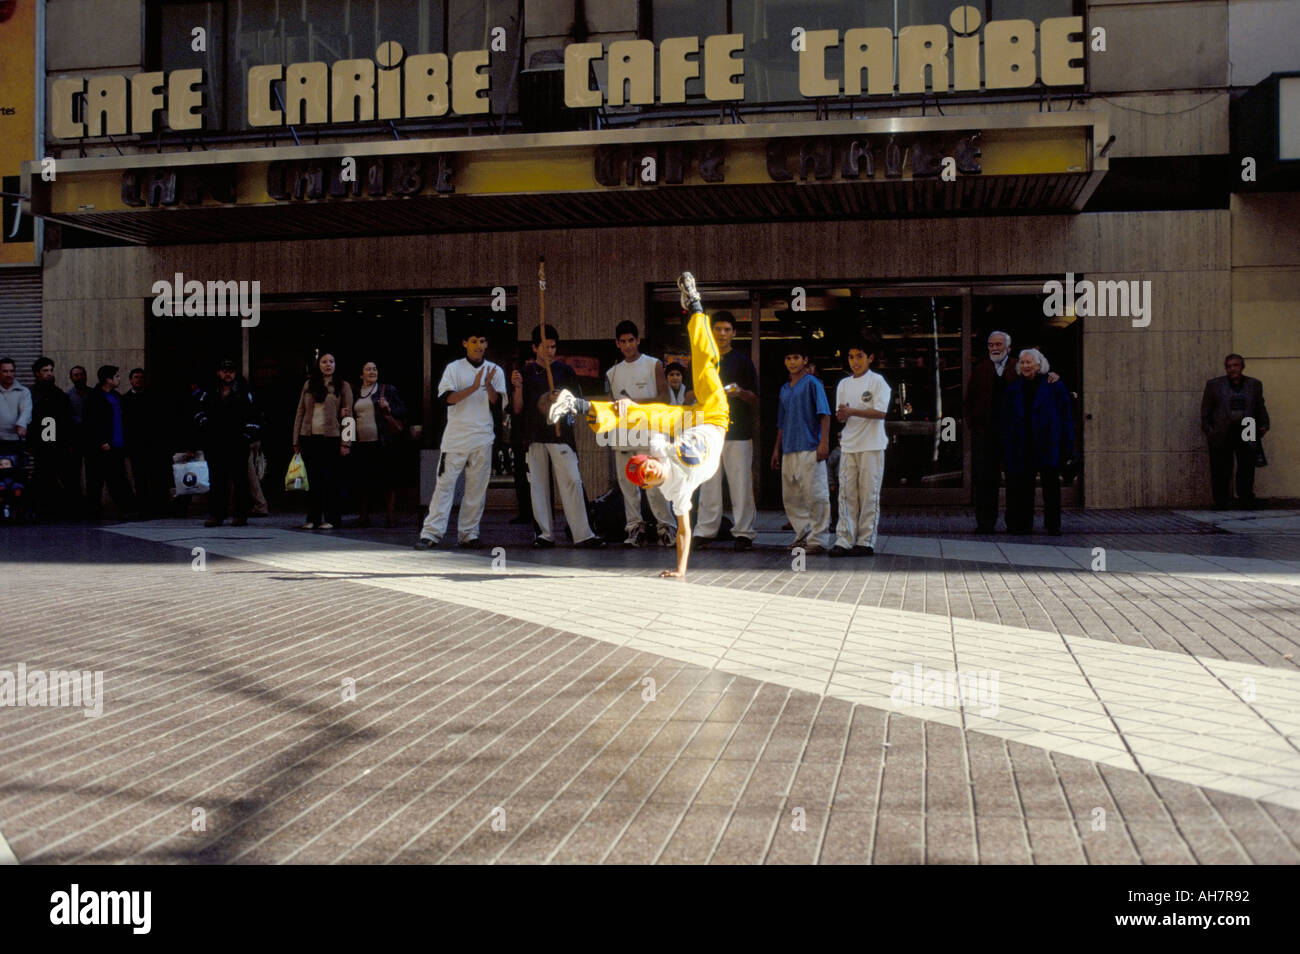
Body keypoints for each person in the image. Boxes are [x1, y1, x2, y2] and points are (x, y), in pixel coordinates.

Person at [548, 272, 727, 578]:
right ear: (648, 483)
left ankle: (576, 404)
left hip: (688, 421)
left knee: (697, 366)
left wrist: (628, 407)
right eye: (647, 474)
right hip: (716, 418)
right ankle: (695, 306)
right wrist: (681, 571)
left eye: (647, 464)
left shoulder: (660, 452)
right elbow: (685, 531)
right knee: (707, 369)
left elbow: (653, 414)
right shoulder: (677, 491)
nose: (652, 468)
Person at [512, 324, 603, 549]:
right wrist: (517, 388)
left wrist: (560, 400)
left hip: (561, 436)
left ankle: (582, 533)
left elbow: (576, 405)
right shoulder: (524, 373)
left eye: (553, 346)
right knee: (539, 485)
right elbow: (516, 409)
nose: (550, 351)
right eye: (545, 346)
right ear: (535, 347)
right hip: (534, 435)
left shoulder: (565, 371)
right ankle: (544, 534)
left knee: (572, 479)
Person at [415, 322, 505, 549]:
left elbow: (499, 404)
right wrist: (474, 387)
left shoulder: (495, 370)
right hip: (455, 438)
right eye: (473, 341)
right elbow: (447, 399)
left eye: (482, 341)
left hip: (483, 437)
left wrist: (487, 386)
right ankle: (431, 534)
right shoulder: (453, 368)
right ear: (465, 343)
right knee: (444, 486)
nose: (478, 346)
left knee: (476, 489)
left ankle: (469, 534)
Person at [692, 311, 759, 552]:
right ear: (711, 332)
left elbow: (755, 397)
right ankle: (704, 531)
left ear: (734, 333)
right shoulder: (702, 360)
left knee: (740, 482)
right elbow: (689, 395)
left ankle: (744, 533)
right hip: (708, 430)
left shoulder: (742, 361)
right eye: (718, 329)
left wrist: (738, 392)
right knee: (708, 481)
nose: (722, 333)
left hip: (738, 430)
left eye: (727, 329)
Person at [605, 319, 675, 548]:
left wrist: (634, 403)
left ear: (638, 340)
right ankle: (635, 529)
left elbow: (664, 398)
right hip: (624, 433)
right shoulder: (612, 373)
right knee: (627, 485)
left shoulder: (653, 364)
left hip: (651, 430)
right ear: (617, 343)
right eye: (623, 341)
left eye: (631, 340)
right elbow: (610, 405)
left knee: (654, 482)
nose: (627, 345)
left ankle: (666, 527)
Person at [830, 336, 891, 557]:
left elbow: (881, 412)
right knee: (846, 494)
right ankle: (844, 539)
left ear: (870, 358)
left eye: (859, 357)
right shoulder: (843, 384)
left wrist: (852, 411)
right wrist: (842, 415)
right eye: (851, 357)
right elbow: (842, 415)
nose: (855, 362)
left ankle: (866, 541)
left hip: (872, 446)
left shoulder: (878, 382)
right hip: (849, 445)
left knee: (869, 494)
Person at [1001, 349, 1073, 536]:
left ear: (1039, 365)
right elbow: (1006, 418)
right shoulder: (1013, 388)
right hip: (1022, 445)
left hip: (1047, 444)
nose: (1025, 366)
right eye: (1023, 363)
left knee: (1051, 487)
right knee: (1022, 488)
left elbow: (1065, 416)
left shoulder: (1054, 385)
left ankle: (1053, 525)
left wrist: (1067, 443)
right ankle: (1022, 524)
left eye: (1029, 362)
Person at [771, 342, 831, 552]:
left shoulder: (813, 383)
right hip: (789, 448)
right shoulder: (785, 389)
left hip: (810, 446)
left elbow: (824, 414)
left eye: (796, 357)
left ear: (805, 360)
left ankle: (819, 539)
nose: (792, 362)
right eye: (788, 358)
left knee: (815, 493)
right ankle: (803, 535)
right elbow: (782, 421)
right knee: (792, 496)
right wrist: (777, 449)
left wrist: (824, 443)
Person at [194, 358, 262, 527]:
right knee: (217, 479)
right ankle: (217, 515)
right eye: (224, 371)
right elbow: (197, 412)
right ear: (218, 373)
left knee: (240, 479)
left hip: (237, 442)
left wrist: (247, 435)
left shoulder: (244, 391)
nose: (228, 374)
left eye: (231, 371)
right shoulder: (208, 392)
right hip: (215, 442)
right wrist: (205, 427)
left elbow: (255, 415)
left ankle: (240, 515)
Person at [292, 352, 353, 530]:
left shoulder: (343, 385)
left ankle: (332, 518)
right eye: (324, 362)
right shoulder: (309, 384)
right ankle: (313, 518)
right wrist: (296, 440)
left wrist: (346, 443)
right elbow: (300, 412)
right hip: (309, 437)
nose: (328, 365)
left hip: (332, 438)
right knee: (313, 480)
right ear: (318, 364)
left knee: (331, 480)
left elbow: (349, 417)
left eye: (332, 361)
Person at [1201, 353, 1270, 509]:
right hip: (1221, 430)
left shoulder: (1254, 384)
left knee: (1247, 466)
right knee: (1220, 467)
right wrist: (1209, 430)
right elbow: (1206, 410)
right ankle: (1221, 501)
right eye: (1229, 366)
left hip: (1247, 427)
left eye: (1235, 365)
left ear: (1242, 366)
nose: (1232, 369)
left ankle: (1246, 499)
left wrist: (1265, 424)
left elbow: (1260, 406)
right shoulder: (1214, 385)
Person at [351, 360, 405, 527]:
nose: (372, 372)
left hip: (382, 441)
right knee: (364, 479)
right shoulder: (355, 392)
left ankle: (390, 515)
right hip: (362, 442)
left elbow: (401, 410)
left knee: (387, 479)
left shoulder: (387, 390)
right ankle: (364, 516)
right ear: (361, 374)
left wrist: (389, 408)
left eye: (374, 369)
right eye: (368, 369)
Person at [83, 365, 138, 520]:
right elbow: (91, 422)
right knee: (96, 480)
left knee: (118, 478)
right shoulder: (94, 397)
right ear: (108, 379)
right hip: (101, 447)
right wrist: (100, 441)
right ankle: (92, 511)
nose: (119, 379)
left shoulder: (116, 396)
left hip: (117, 445)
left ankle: (127, 508)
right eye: (117, 376)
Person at [27, 357, 74, 520]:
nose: (49, 374)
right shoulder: (31, 394)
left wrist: (67, 442)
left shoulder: (58, 394)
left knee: (61, 476)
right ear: (37, 373)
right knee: (42, 475)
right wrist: (30, 443)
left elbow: (67, 420)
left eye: (51, 370)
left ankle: (60, 509)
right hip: (41, 444)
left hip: (58, 444)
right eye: (45, 371)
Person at [121, 368, 171, 517]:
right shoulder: (125, 399)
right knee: (139, 478)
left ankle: (158, 507)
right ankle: (143, 507)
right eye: (136, 377)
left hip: (153, 445)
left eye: (141, 377)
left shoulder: (153, 397)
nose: (139, 380)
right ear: (130, 380)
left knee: (156, 477)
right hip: (136, 446)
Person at [65, 365, 93, 514]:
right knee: (74, 474)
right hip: (75, 440)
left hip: (91, 440)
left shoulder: (93, 394)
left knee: (92, 474)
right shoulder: (68, 396)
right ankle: (76, 504)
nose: (79, 377)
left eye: (81, 374)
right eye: (75, 375)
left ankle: (91, 504)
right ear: (71, 378)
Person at [0, 357, 32, 454]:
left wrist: (21, 424)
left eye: (11, 371)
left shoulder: (23, 391)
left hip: (15, 440)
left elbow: (26, 410)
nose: (9, 374)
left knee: (15, 467)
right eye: (5, 371)